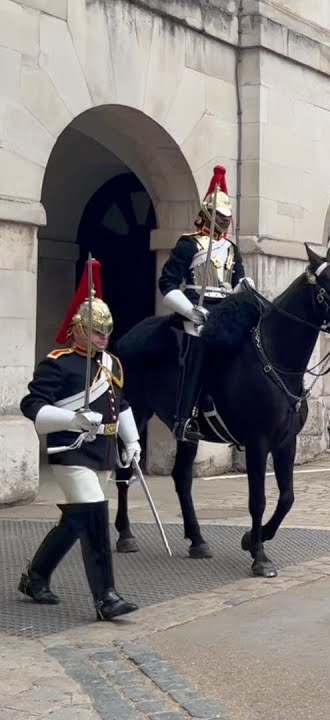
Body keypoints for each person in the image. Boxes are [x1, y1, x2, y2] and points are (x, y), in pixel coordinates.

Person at [18, 258, 139, 620]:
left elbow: (123, 403)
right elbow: (33, 406)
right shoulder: (58, 363)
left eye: (107, 332)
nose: (104, 338)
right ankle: (106, 598)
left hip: (101, 451)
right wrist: (72, 417)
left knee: (77, 519)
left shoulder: (111, 364)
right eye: (97, 331)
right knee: (96, 513)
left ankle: (35, 576)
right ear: (78, 329)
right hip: (70, 451)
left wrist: (131, 442)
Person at [158, 165, 254, 442]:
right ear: (207, 215)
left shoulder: (232, 249)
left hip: (226, 312)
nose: (224, 223)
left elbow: (237, 282)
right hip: (195, 312)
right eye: (219, 217)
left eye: (227, 218)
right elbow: (166, 284)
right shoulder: (189, 244)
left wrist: (245, 287)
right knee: (197, 356)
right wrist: (189, 310)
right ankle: (183, 417)